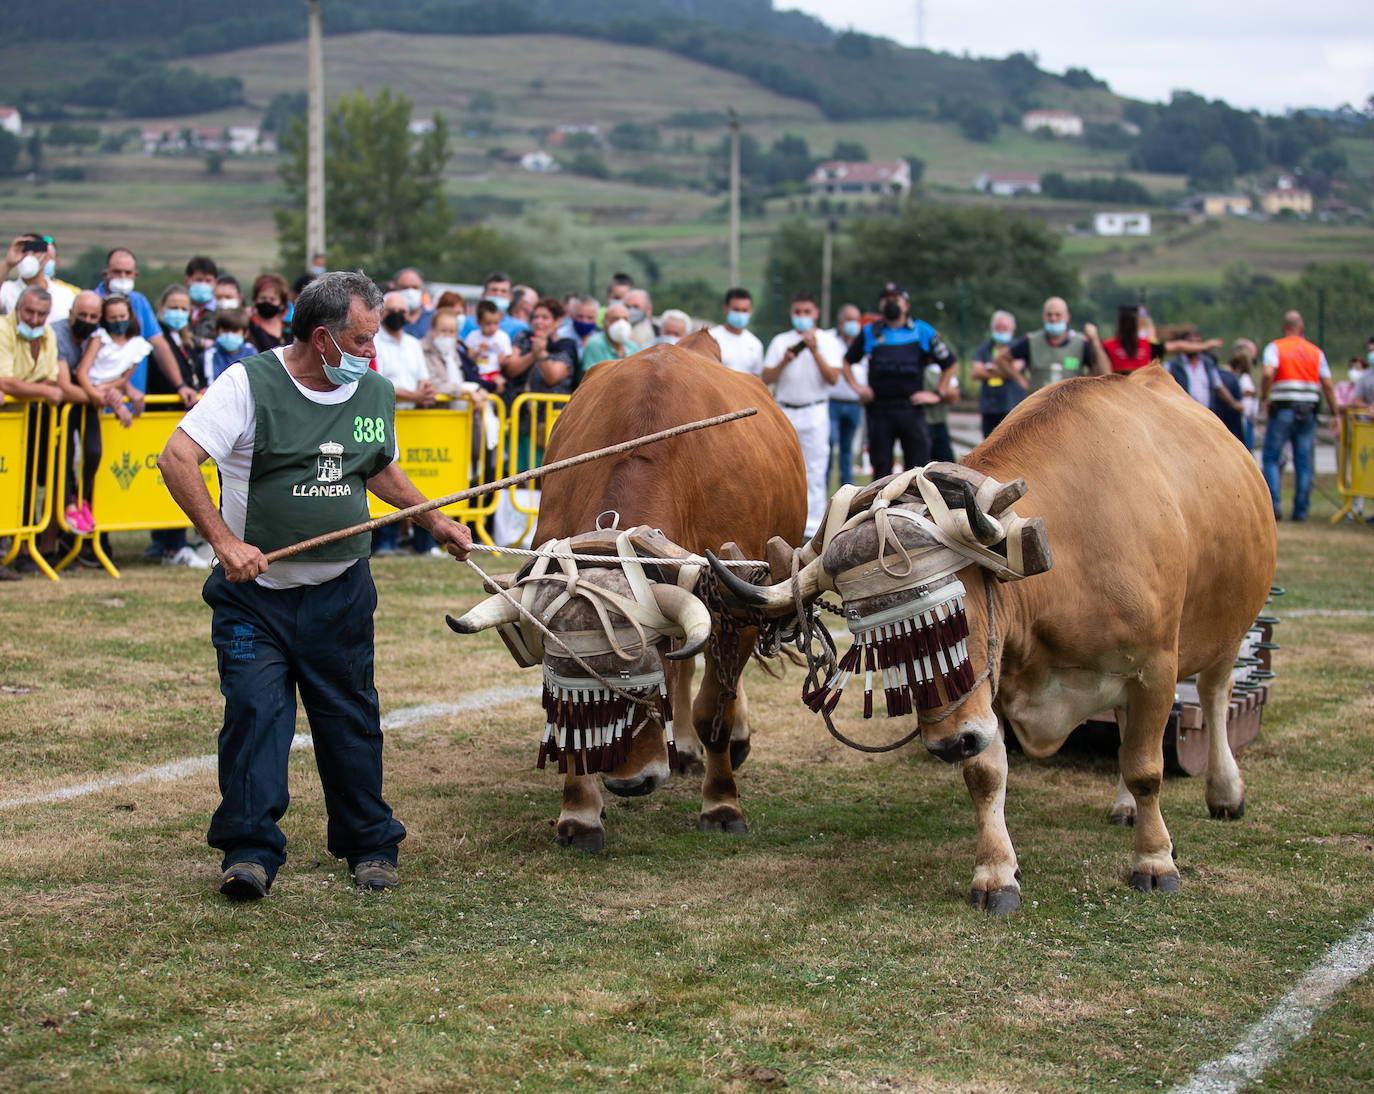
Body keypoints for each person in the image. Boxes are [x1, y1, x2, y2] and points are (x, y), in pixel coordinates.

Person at [156, 270, 472, 900]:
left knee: (350, 716)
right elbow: (175, 457)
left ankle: (369, 844)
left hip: (340, 591)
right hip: (255, 602)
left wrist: (432, 519)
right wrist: (224, 541)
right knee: (255, 713)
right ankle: (249, 850)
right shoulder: (249, 384)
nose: (370, 354)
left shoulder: (374, 392)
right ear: (321, 337)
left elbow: (375, 464)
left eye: (373, 340)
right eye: (359, 341)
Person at [841, 281, 953, 479]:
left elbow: (949, 363)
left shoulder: (922, 331)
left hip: (911, 409)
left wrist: (937, 394)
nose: (891, 304)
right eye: (886, 300)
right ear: (880, 305)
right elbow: (846, 361)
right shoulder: (870, 332)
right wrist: (857, 388)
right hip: (879, 411)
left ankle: (915, 510)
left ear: (906, 305)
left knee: (917, 470)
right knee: (881, 468)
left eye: (895, 300)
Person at [762, 292, 843, 538]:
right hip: (785, 409)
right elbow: (767, 377)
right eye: (797, 312)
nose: (802, 317)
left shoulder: (828, 342)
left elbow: (832, 378)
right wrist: (785, 360)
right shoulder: (780, 341)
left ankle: (812, 527)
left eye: (807, 312)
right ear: (791, 313)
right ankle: (781, 518)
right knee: (780, 467)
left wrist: (814, 351)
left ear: (816, 313)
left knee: (815, 469)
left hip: (815, 410)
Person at [1260, 310, 1337, 522]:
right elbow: (1328, 385)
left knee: (1271, 458)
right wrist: (1335, 412)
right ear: (1302, 329)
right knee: (1303, 461)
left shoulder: (1275, 347)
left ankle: (1274, 506)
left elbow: (1267, 373)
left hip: (1283, 409)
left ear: (1284, 328)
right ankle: (1300, 510)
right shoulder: (1315, 352)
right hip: (1308, 411)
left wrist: (1264, 395)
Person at [97, 248, 195, 407]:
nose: (123, 277)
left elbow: (159, 344)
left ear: (135, 274)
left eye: (128, 273)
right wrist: (124, 386)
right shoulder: (93, 301)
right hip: (103, 399)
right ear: (105, 274)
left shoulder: (139, 302)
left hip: (136, 403)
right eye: (117, 272)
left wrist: (180, 385)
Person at [76, 294, 149, 430]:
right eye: (113, 318)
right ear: (105, 319)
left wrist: (104, 388)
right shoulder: (99, 338)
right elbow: (82, 372)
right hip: (86, 391)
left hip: (105, 391)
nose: (118, 321)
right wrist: (94, 393)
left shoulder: (138, 345)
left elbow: (123, 379)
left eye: (122, 317)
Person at [1005, 296, 1103, 392]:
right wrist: (1022, 381)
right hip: (1039, 403)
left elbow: (1100, 370)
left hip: (1071, 403)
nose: (1053, 318)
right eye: (1049, 314)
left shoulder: (1081, 342)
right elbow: (1001, 359)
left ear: (1067, 317)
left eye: (1058, 314)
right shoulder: (1031, 341)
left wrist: (1085, 386)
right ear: (1043, 317)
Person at [1099, 304, 1222, 374]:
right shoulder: (1145, 345)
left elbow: (1179, 346)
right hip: (1140, 394)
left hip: (1117, 396)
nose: (1142, 319)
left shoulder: (1106, 346)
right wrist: (1206, 345)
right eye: (1140, 317)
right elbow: (1178, 346)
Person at [969, 309, 1027, 438]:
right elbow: (975, 372)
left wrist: (988, 368)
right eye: (998, 327)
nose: (1001, 330)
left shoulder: (1018, 347)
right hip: (989, 407)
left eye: (1004, 327)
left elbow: (1016, 368)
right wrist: (1006, 369)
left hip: (1012, 406)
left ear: (1012, 330)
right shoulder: (984, 348)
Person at [827, 303, 866, 486]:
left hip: (854, 403)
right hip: (831, 402)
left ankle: (846, 487)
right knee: (828, 443)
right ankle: (824, 481)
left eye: (856, 320)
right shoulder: (827, 339)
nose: (853, 324)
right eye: (849, 320)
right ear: (840, 321)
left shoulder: (864, 341)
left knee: (847, 448)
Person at [1, 234, 75, 322]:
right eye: (24, 250)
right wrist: (8, 264)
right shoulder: (5, 290)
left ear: (46, 257)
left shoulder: (65, 295)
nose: (28, 255)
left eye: (34, 250)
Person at [1166, 342, 1243, 421]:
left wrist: (1233, 403)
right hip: (1183, 414)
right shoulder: (1173, 365)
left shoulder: (1206, 364)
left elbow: (1218, 386)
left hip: (1206, 413)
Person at [707, 287, 763, 377]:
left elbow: (757, 377)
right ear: (725, 309)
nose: (740, 314)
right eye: (736, 310)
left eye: (744, 310)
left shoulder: (755, 344)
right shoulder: (710, 337)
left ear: (750, 311)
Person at [463, 300, 512, 396]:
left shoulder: (502, 337)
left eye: (496, 323)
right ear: (479, 322)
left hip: (494, 374)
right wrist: (477, 353)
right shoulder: (472, 336)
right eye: (488, 324)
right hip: (477, 375)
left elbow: (508, 357)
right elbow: (468, 357)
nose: (492, 327)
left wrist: (503, 362)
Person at [578, 302, 639, 372]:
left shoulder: (633, 347)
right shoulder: (595, 344)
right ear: (604, 323)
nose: (621, 324)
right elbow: (592, 378)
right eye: (615, 319)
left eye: (625, 319)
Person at [202, 309, 253, 386]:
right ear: (216, 331)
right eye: (225, 330)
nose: (229, 335)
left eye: (235, 331)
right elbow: (212, 383)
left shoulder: (250, 351)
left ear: (245, 333)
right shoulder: (211, 354)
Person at [247, 273, 291, 353]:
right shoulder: (248, 326)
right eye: (263, 298)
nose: (267, 303)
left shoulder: (290, 328)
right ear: (255, 299)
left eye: (272, 299)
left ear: (281, 302)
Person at [394, 267, 434, 338]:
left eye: (415, 287)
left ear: (422, 289)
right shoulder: (386, 319)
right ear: (396, 289)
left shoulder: (434, 318)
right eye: (405, 287)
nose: (410, 292)